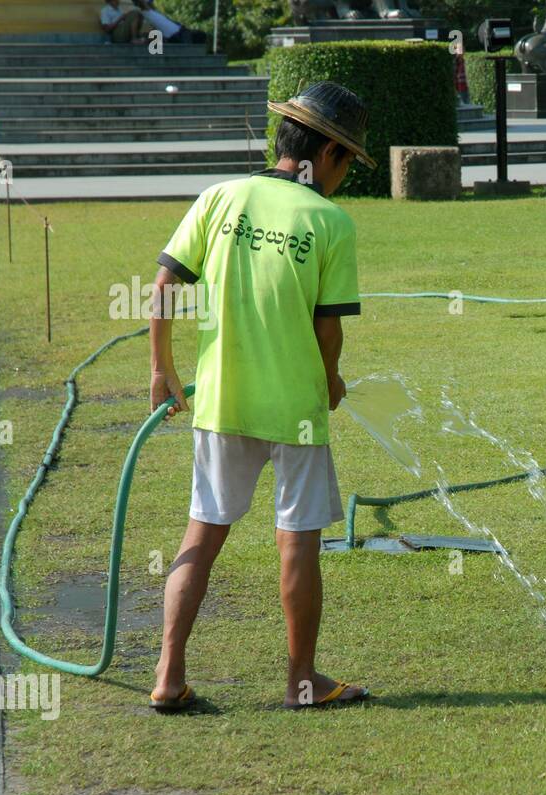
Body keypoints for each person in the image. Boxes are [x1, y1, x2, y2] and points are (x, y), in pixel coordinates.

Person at [147, 81, 375, 712]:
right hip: (296, 410)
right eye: (349, 161)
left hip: (222, 401)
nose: (347, 174)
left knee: (204, 530)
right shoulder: (329, 220)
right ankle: (303, 682)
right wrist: (330, 380)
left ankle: (168, 675)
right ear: (325, 153)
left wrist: (161, 369)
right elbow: (327, 327)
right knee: (297, 539)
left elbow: (164, 284)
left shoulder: (221, 197)